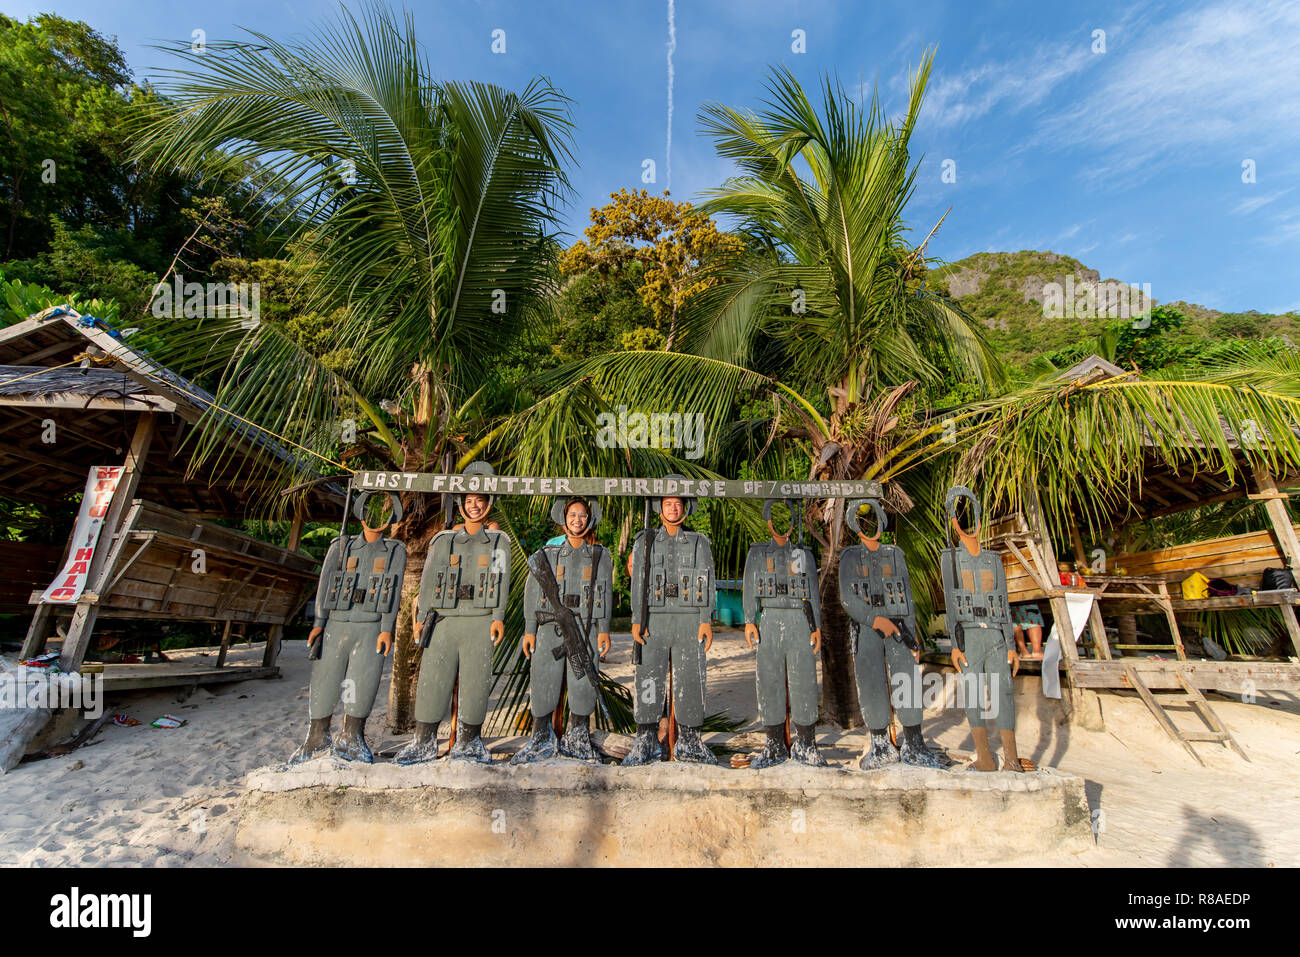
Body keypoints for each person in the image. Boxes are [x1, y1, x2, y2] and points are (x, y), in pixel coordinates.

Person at [395, 461, 510, 764]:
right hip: (444, 618)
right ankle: (423, 740)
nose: (474, 507)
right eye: (469, 501)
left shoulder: (498, 541)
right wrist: (420, 618)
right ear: (461, 506)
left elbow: (500, 578)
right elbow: (430, 578)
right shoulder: (444, 541)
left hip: (480, 618)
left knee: (476, 681)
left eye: (480, 501)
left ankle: (470, 741)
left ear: (489, 504)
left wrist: (497, 616)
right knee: (433, 678)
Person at [290, 491, 405, 764]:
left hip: (370, 625)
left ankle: (352, 736)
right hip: (337, 623)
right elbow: (325, 584)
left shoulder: (394, 551)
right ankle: (317, 736)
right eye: (371, 510)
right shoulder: (341, 546)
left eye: (383, 511)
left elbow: (395, 588)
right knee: (325, 678)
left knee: (361, 680)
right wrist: (319, 622)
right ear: (360, 512)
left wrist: (386, 628)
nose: (375, 517)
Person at [838, 498, 944, 770]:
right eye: (864, 522)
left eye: (874, 521)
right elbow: (847, 597)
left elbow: (906, 595)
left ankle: (913, 741)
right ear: (855, 526)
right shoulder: (849, 557)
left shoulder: (895, 554)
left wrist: (913, 634)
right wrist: (874, 619)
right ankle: (880, 742)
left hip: (899, 625)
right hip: (866, 627)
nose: (870, 527)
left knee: (905, 677)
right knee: (871, 681)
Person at [940, 486, 1035, 772]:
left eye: (973, 516)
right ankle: (984, 756)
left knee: (1003, 691)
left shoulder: (993, 560)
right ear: (953, 523)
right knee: (972, 693)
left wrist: (1010, 646)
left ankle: (1012, 757)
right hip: (969, 636)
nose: (968, 524)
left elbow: (1004, 604)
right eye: (959, 518)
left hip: (995, 634)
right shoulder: (951, 558)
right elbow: (950, 604)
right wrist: (955, 644)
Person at [624, 475, 717, 765]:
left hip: (689, 619)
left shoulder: (699, 542)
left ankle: (690, 740)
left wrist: (706, 619)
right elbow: (638, 582)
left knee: (690, 677)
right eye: (667, 504)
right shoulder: (645, 541)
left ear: (685, 508)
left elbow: (707, 579)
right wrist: (637, 619)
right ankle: (646, 738)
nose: (673, 509)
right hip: (655, 619)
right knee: (649, 677)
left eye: (677, 504)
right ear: (659, 508)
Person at [511, 497, 612, 763]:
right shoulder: (546, 555)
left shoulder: (600, 556)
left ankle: (578, 736)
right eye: (572, 515)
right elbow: (532, 594)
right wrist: (530, 630)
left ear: (589, 519)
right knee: (544, 678)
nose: (577, 520)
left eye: (582, 515)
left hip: (584, 625)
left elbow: (605, 592)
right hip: (550, 627)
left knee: (583, 681)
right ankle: (540, 736)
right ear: (563, 518)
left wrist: (604, 629)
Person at [742, 499, 826, 767]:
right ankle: (774, 744)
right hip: (769, 618)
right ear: (768, 521)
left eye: (786, 519)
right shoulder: (757, 553)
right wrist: (748, 619)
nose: (781, 524)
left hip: (799, 619)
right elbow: (749, 587)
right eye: (775, 518)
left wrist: (817, 627)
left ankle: (806, 743)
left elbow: (812, 591)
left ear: (792, 523)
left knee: (804, 681)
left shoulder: (803, 554)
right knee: (769, 680)